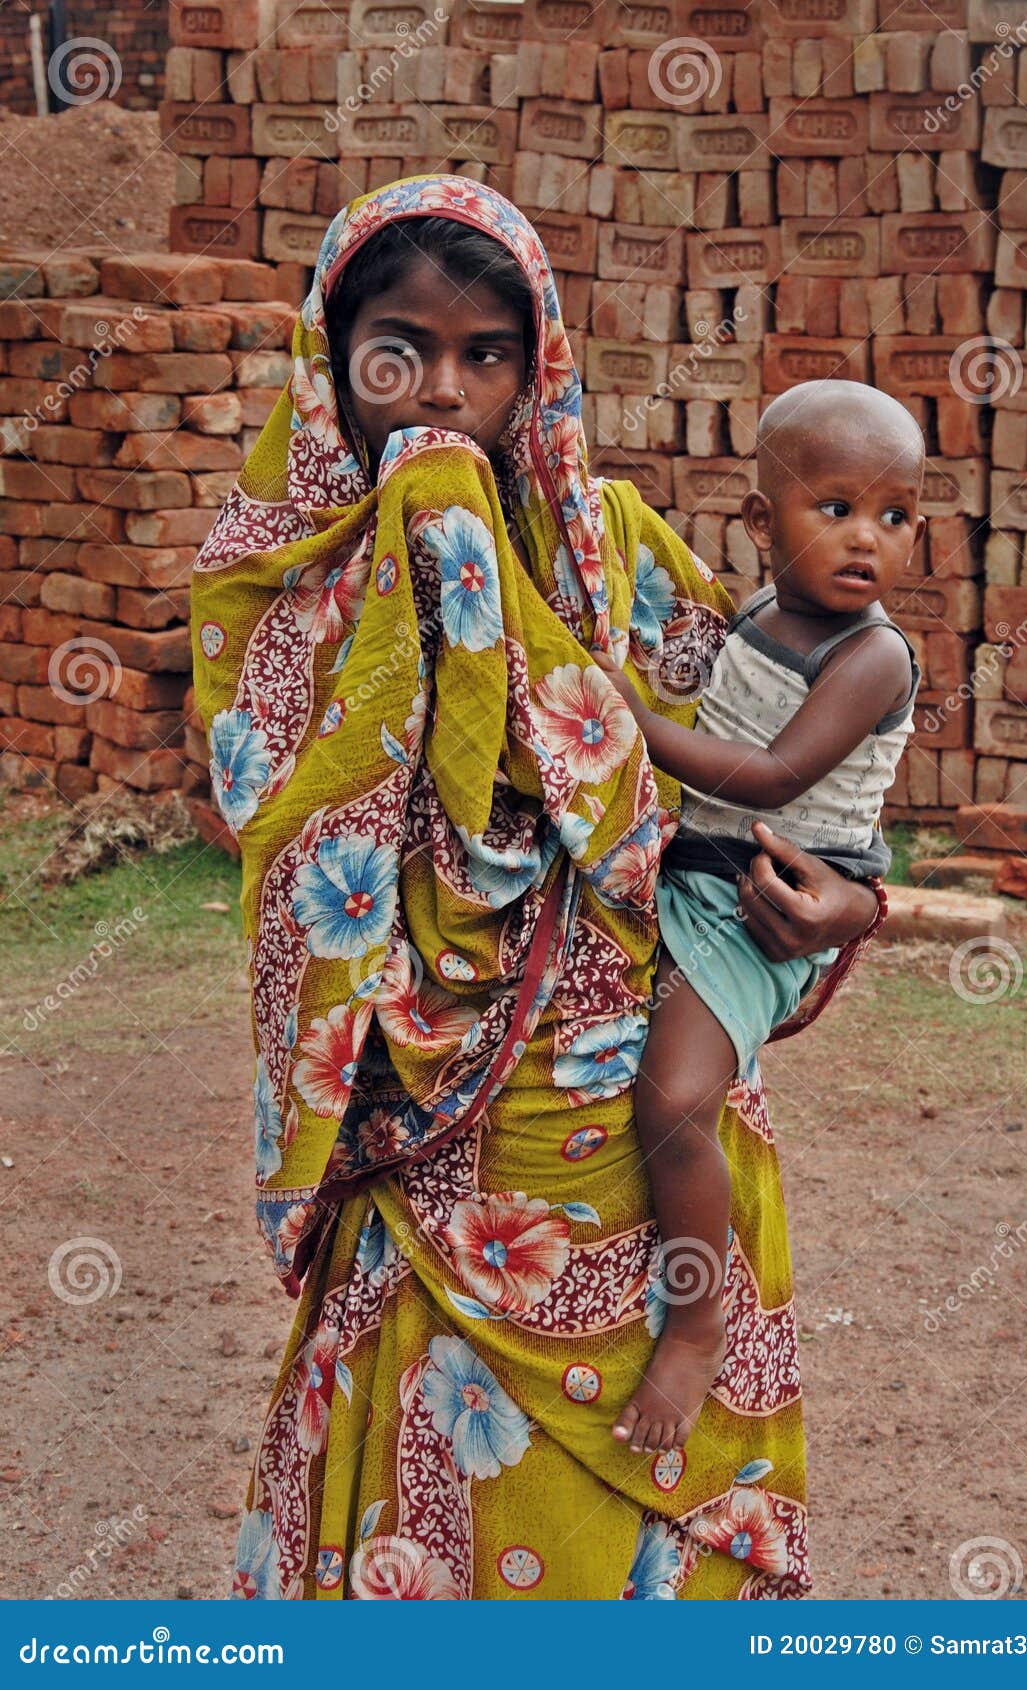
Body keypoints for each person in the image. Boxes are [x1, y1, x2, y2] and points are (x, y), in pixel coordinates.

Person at [190, 174, 885, 1601]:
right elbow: (285, 838)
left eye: (483, 355)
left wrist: (856, 906)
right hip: (422, 1140)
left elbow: (794, 766)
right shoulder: (281, 581)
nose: (439, 390)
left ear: (536, 366)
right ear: (334, 359)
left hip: (628, 1124)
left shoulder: (611, 554)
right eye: (398, 349)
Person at [592, 381, 924, 1457]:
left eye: (896, 515)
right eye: (834, 508)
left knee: (677, 1097)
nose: (867, 539)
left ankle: (696, 1325)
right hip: (695, 871)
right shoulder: (753, 619)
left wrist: (625, 720)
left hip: (768, 902)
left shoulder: (870, 656)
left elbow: (776, 777)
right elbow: (693, 680)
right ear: (757, 521)